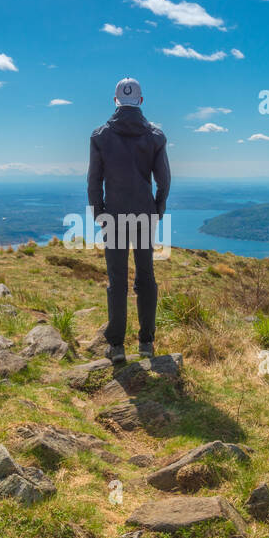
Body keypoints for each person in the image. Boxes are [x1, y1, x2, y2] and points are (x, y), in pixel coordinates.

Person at [87, 77, 170, 363]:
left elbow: (94, 180)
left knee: (117, 280)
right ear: (141, 101)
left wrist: (99, 213)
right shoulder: (155, 136)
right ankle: (146, 342)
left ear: (115, 100)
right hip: (144, 214)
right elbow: (164, 179)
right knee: (146, 278)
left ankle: (117, 346)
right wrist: (158, 209)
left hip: (115, 215)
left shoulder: (100, 136)